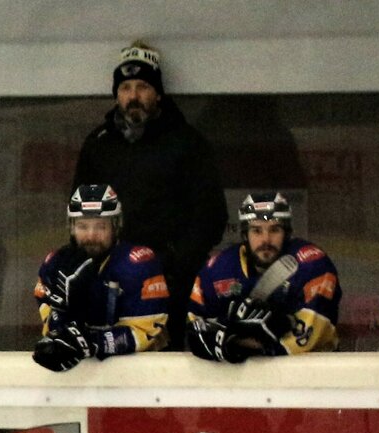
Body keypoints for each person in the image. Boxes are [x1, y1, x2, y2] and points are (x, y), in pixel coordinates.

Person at [71, 42, 226, 346]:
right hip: (110, 281)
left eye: (142, 87)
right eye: (126, 87)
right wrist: (89, 267)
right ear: (116, 94)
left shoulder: (187, 143)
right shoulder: (98, 144)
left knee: (170, 364)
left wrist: (175, 265)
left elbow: (211, 216)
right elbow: (79, 212)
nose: (134, 96)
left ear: (158, 93)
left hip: (172, 283)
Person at [187, 192, 344, 361]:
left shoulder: (312, 264)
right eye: (257, 231)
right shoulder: (216, 270)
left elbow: (313, 335)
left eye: (274, 230)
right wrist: (231, 338)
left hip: (311, 372)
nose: (266, 240)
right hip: (235, 375)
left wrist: (243, 344)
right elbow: (196, 327)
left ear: (287, 233)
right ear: (245, 235)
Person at [30, 183, 170, 372]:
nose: (91, 235)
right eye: (83, 226)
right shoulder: (54, 265)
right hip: (78, 371)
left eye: (100, 226)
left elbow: (145, 331)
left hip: (141, 373)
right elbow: (53, 330)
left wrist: (92, 342)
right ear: (71, 228)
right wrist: (62, 315)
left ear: (115, 226)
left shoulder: (140, 263)